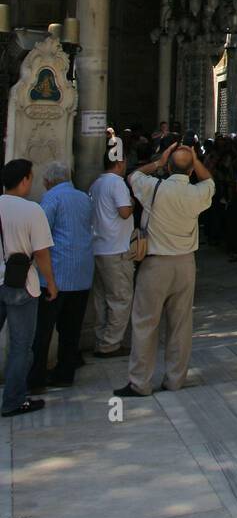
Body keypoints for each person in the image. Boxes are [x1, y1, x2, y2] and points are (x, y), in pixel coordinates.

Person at [115, 143, 215, 397]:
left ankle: (140, 382)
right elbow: (210, 180)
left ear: (168, 166)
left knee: (146, 323)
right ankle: (175, 379)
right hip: (185, 264)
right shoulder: (197, 193)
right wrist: (194, 160)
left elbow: (132, 176)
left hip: (156, 264)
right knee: (181, 323)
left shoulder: (153, 188)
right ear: (192, 170)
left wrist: (159, 162)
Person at [28, 162, 94, 392]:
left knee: (43, 331)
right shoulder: (84, 198)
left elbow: (40, 236)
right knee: (71, 329)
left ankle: (36, 378)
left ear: (47, 181)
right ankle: (65, 373)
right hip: (82, 274)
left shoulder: (51, 200)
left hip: (55, 277)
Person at [0, 159, 57, 417]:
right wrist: (51, 283)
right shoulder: (32, 210)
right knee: (21, 346)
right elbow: (42, 253)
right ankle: (13, 400)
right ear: (24, 180)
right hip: (21, 283)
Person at [89, 144, 136, 358]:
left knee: (101, 298)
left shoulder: (96, 184)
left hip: (99, 247)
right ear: (119, 163)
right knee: (121, 298)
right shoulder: (117, 183)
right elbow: (124, 212)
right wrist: (133, 203)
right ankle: (110, 344)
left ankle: (100, 339)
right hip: (116, 249)